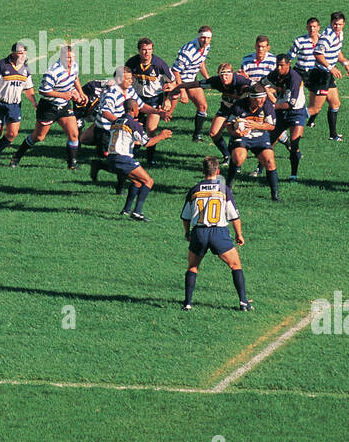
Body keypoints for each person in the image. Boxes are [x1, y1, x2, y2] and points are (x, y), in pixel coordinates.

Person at [181, 156, 250, 311]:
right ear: (217, 172)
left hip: (199, 232)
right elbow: (234, 216)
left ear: (202, 171)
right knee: (235, 265)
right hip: (219, 233)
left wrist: (187, 233)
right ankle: (243, 302)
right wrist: (239, 235)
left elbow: (185, 217)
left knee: (193, 267)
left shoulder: (194, 190)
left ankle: (187, 303)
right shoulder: (224, 189)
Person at [9, 44, 88, 169]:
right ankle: (17, 155)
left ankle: (72, 163)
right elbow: (43, 91)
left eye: (72, 57)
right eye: (68, 58)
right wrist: (63, 95)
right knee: (38, 137)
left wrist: (81, 93)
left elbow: (75, 78)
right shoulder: (53, 72)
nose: (71, 60)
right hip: (48, 107)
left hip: (63, 106)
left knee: (74, 134)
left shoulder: (74, 66)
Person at [107, 99, 172, 221]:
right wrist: (161, 136)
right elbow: (147, 143)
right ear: (133, 109)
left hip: (111, 158)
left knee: (137, 182)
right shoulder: (133, 124)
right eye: (138, 108)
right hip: (123, 158)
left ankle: (126, 210)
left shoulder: (116, 121)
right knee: (149, 181)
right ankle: (137, 212)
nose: (139, 111)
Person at [123, 38, 176, 166]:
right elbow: (123, 77)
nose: (146, 53)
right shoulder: (132, 62)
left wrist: (168, 98)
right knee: (133, 128)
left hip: (154, 99)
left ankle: (150, 159)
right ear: (139, 50)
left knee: (151, 129)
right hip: (137, 100)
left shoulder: (159, 64)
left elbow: (173, 82)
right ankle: (131, 157)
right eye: (144, 50)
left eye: (149, 50)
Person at [227, 84, 281, 200]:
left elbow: (271, 126)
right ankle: (228, 187)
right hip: (243, 137)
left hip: (260, 136)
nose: (261, 100)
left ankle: (275, 195)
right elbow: (228, 124)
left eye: (263, 97)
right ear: (251, 98)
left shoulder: (267, 105)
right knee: (238, 158)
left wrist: (256, 125)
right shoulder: (239, 106)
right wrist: (235, 133)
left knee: (269, 160)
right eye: (258, 98)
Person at [309, 11, 349, 141]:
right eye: (334, 24)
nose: (337, 27)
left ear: (343, 24)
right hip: (320, 74)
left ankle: (333, 135)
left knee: (335, 103)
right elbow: (317, 53)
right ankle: (285, 120)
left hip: (328, 74)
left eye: (339, 24)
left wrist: (344, 63)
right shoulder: (328, 37)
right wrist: (331, 67)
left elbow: (337, 50)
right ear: (331, 23)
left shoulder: (339, 34)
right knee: (315, 109)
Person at [265, 53, 307, 181]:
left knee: (294, 144)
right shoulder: (275, 74)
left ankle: (293, 175)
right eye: (277, 65)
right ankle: (260, 169)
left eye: (282, 65)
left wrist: (271, 108)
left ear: (288, 65)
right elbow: (262, 83)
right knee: (268, 142)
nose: (278, 68)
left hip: (296, 112)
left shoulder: (295, 78)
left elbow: (290, 104)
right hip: (281, 111)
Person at [172, 26, 214, 141]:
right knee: (167, 111)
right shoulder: (188, 51)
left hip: (191, 79)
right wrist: (183, 91)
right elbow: (175, 71)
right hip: (182, 80)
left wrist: (208, 79)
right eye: (203, 38)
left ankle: (197, 136)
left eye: (208, 38)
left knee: (202, 106)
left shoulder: (206, 47)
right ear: (198, 37)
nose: (205, 41)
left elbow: (201, 63)